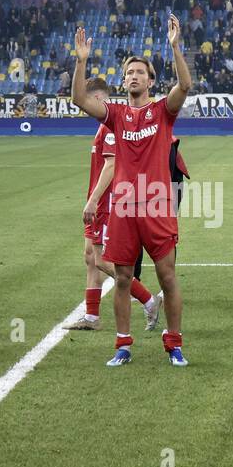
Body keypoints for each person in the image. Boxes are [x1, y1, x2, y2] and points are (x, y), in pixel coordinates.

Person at [69, 14, 192, 367]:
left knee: (168, 276)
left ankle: (174, 344)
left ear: (151, 80)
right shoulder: (117, 114)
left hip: (156, 204)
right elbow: (80, 98)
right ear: (123, 81)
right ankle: (123, 344)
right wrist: (81, 61)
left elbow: (184, 86)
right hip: (123, 207)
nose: (133, 76)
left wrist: (175, 48)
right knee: (123, 277)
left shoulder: (162, 111)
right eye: (129, 73)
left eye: (140, 72)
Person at [63, 76, 163, 332]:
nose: (83, 107)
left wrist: (94, 200)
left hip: (106, 203)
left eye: (85, 102)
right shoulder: (106, 123)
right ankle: (92, 316)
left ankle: (148, 299)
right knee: (90, 257)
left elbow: (111, 164)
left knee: (104, 261)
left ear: (96, 99)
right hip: (100, 202)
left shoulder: (110, 125)